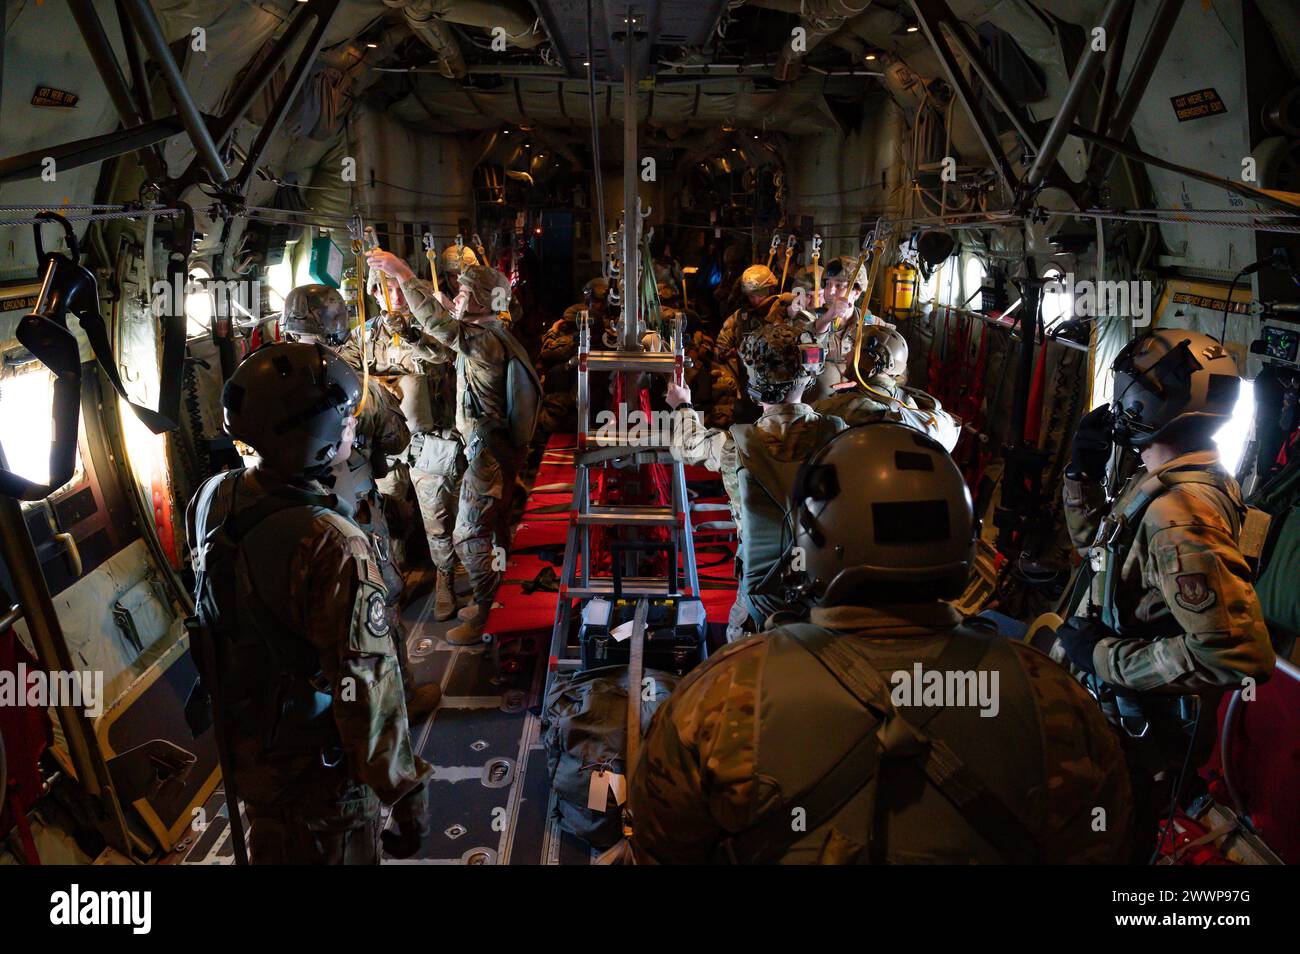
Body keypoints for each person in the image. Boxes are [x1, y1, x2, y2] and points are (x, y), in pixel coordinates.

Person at [630, 422, 1134, 864]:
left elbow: (658, 844)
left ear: (814, 541)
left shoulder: (725, 690)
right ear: (964, 537)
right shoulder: (1052, 698)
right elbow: (1103, 846)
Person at [187, 341, 431, 864]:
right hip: (320, 776)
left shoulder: (211, 498)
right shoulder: (333, 543)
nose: (351, 428)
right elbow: (366, 687)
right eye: (344, 422)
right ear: (314, 439)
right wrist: (406, 795)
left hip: (250, 751)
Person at [1054, 328, 1275, 850]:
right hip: (1112, 713)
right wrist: (1081, 472)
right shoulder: (1167, 481)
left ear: (1143, 406)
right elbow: (1101, 555)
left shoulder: (1181, 513)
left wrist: (1106, 658)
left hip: (1137, 731)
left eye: (1125, 395)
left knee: (1104, 842)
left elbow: (1239, 657)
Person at [281, 284, 440, 717]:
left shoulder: (266, 371)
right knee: (378, 599)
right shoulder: (350, 378)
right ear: (337, 325)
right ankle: (398, 701)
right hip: (350, 512)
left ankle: (333, 703)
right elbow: (397, 435)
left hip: (289, 515)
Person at [367, 250, 528, 645]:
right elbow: (438, 348)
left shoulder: (484, 341)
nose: (454, 298)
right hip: (486, 450)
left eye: (462, 294)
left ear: (480, 303)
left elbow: (441, 327)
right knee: (489, 531)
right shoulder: (487, 336)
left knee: (469, 537)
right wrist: (407, 329)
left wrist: (403, 272)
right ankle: (492, 601)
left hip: (486, 454)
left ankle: (486, 617)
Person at [666, 322, 846, 632]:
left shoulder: (734, 446)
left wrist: (682, 404)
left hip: (760, 606)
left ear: (754, 382)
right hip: (828, 601)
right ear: (810, 374)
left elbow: (684, 444)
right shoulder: (840, 435)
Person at [338, 270, 467, 625]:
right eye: (385, 290)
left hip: (428, 441)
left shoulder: (430, 328)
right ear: (375, 295)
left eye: (397, 289)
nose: (393, 296)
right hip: (387, 443)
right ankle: (395, 577)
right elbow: (344, 372)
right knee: (389, 515)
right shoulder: (363, 337)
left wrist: (408, 333)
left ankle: (445, 581)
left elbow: (441, 356)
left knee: (437, 518)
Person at [813, 324, 960, 451]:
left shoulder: (849, 404)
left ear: (868, 360)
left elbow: (806, 418)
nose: (847, 354)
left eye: (854, 349)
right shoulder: (907, 398)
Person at [712, 264, 801, 426]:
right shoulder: (741, 317)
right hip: (751, 389)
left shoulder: (787, 312)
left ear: (770, 290)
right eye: (751, 296)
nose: (754, 300)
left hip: (785, 388)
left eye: (758, 295)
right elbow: (721, 347)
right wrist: (728, 353)